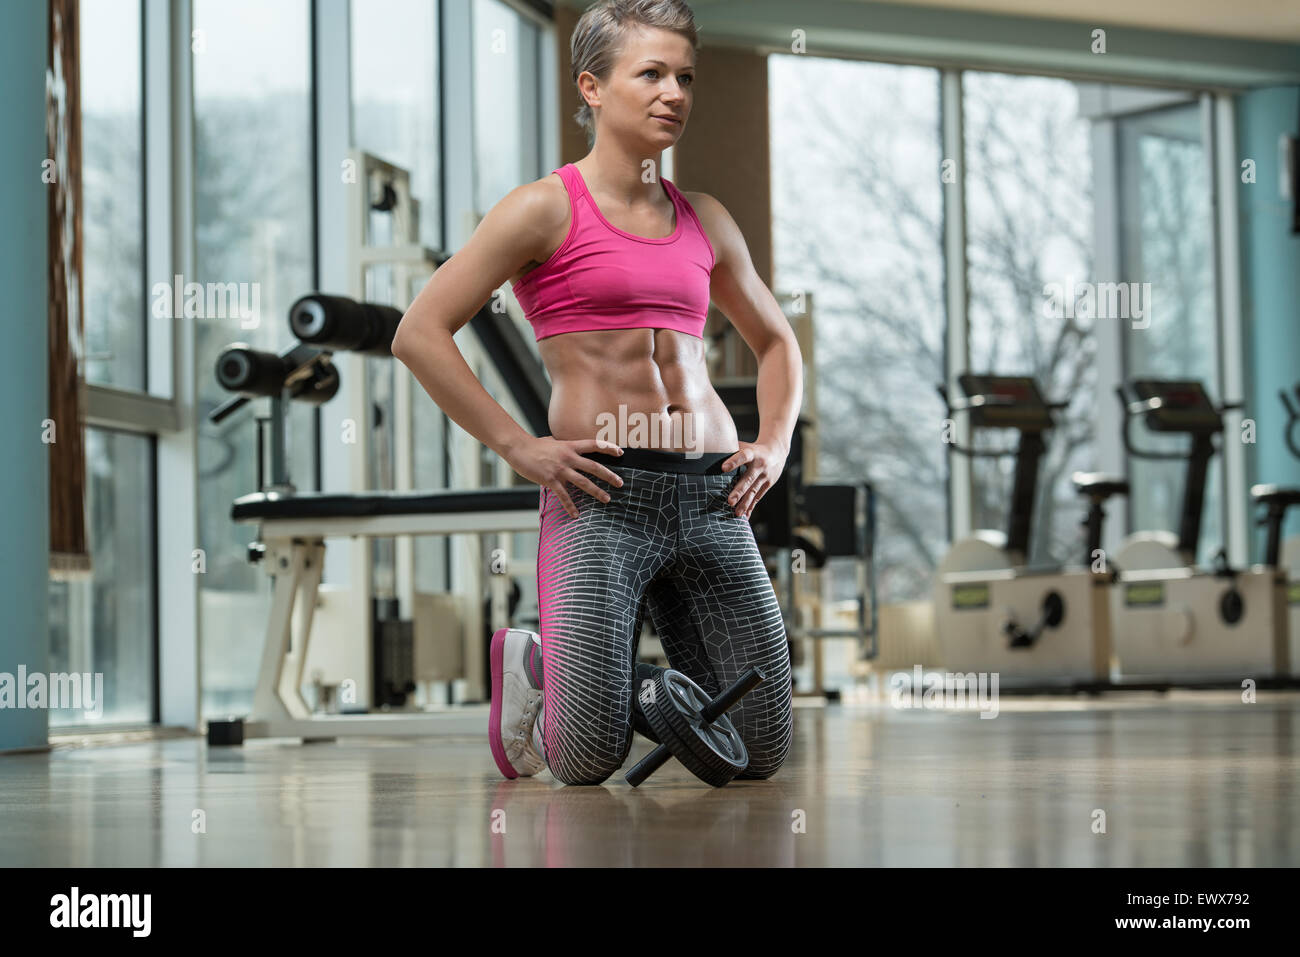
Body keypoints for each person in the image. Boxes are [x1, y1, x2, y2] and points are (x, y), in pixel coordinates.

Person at [392, 0, 800, 786]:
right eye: (649, 73)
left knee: (759, 744)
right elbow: (421, 331)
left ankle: (625, 687)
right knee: (585, 760)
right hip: (600, 496)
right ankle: (534, 673)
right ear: (591, 87)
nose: (673, 93)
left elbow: (777, 342)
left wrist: (773, 442)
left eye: (684, 76)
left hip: (713, 496)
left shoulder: (704, 218)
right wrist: (520, 446)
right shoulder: (544, 207)